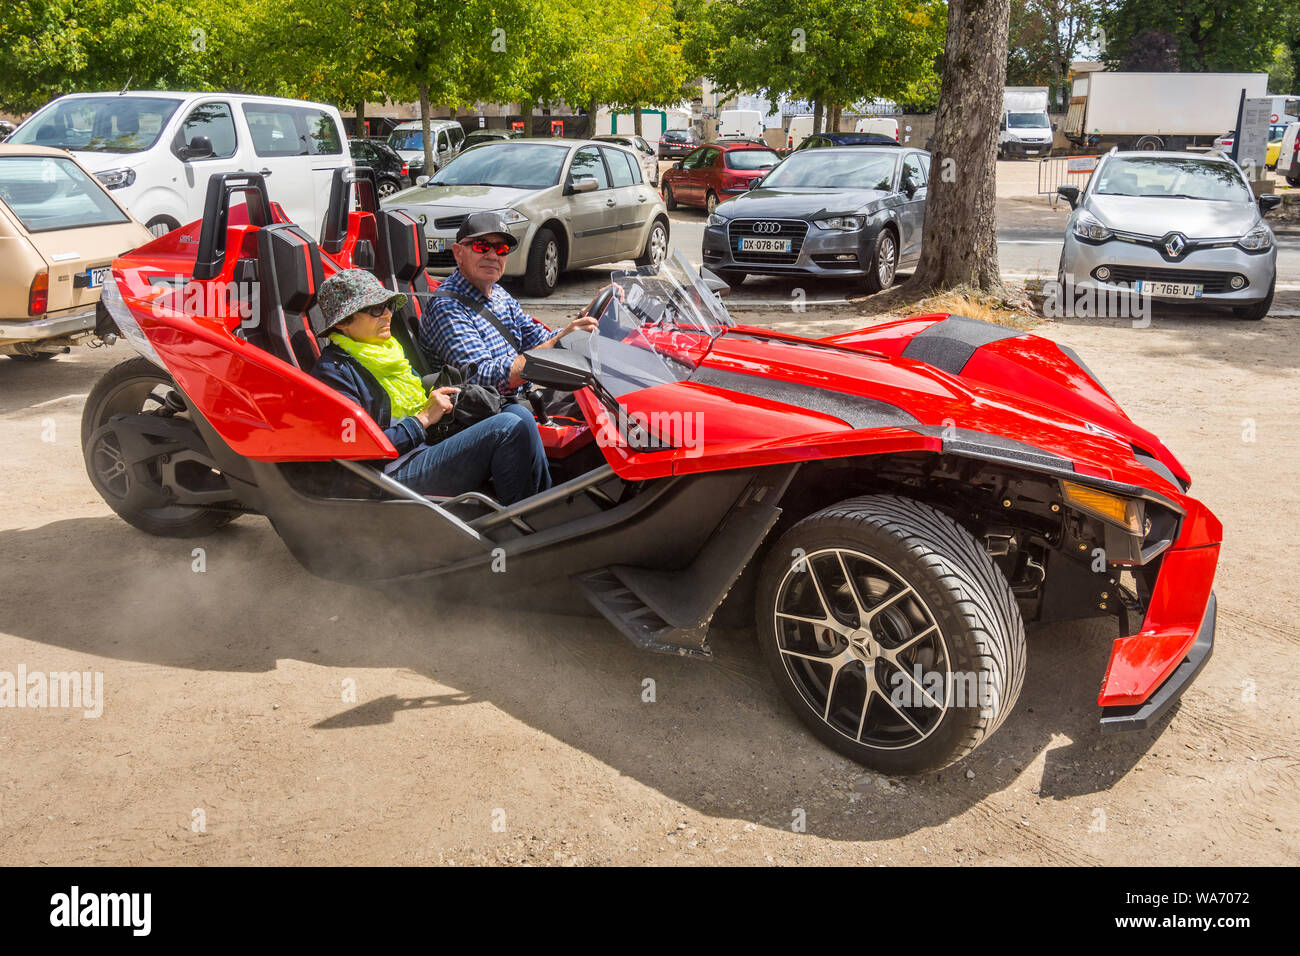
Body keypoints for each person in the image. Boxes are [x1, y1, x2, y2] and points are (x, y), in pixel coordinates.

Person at [310, 268, 551, 504]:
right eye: (375, 309)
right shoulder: (333, 374)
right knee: (507, 427)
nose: (387, 314)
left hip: (425, 447)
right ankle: (519, 522)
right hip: (390, 476)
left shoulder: (389, 352)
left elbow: (416, 400)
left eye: (389, 305)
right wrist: (423, 419)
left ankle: (539, 506)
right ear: (342, 323)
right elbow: (360, 451)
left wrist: (441, 399)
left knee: (518, 412)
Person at [419, 211, 599, 396]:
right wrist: (557, 343)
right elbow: (482, 378)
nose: (492, 255)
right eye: (481, 246)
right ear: (458, 253)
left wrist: (585, 319)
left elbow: (539, 339)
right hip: (487, 414)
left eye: (501, 249)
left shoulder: (499, 294)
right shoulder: (447, 307)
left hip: (515, 401)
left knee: (592, 395)